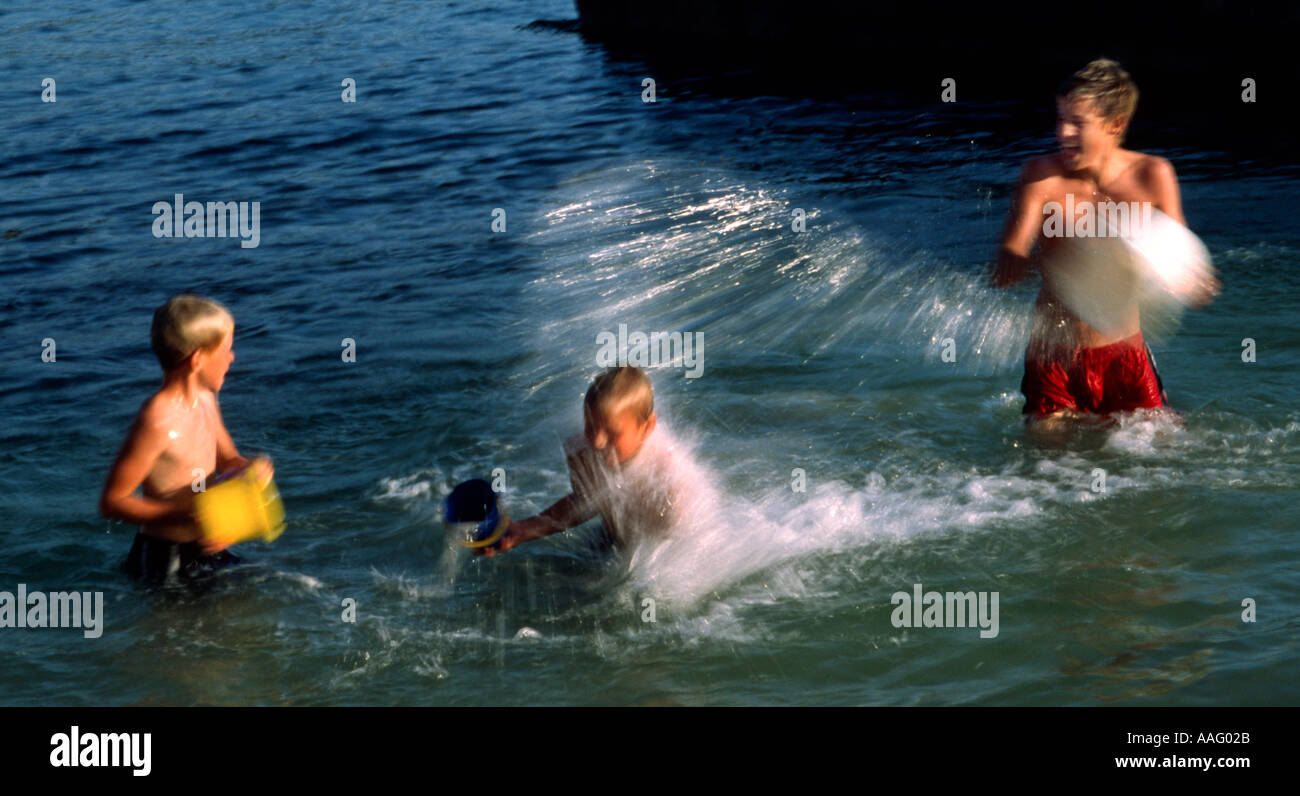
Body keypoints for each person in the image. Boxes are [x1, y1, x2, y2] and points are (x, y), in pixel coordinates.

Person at [991, 58, 1217, 431]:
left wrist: (1193, 284)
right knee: (1044, 464)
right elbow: (1003, 270)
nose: (1062, 132)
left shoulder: (1152, 176)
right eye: (1060, 119)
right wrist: (1052, 262)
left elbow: (1176, 259)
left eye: (1077, 123)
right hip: (1054, 358)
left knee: (1160, 457)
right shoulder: (1040, 178)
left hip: (1125, 357)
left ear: (1115, 125)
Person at [100, 294, 271, 584]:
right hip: (166, 559)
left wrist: (251, 470)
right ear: (198, 359)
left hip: (207, 546)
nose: (233, 357)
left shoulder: (206, 399)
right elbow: (113, 501)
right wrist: (185, 516)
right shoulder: (157, 420)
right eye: (227, 349)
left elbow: (228, 458)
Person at [478, 366, 693, 556]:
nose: (598, 441)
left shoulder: (668, 477)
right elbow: (583, 502)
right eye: (591, 427)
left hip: (658, 552)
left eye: (611, 432)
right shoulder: (583, 451)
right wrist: (522, 531)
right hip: (608, 540)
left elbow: (683, 548)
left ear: (646, 427)